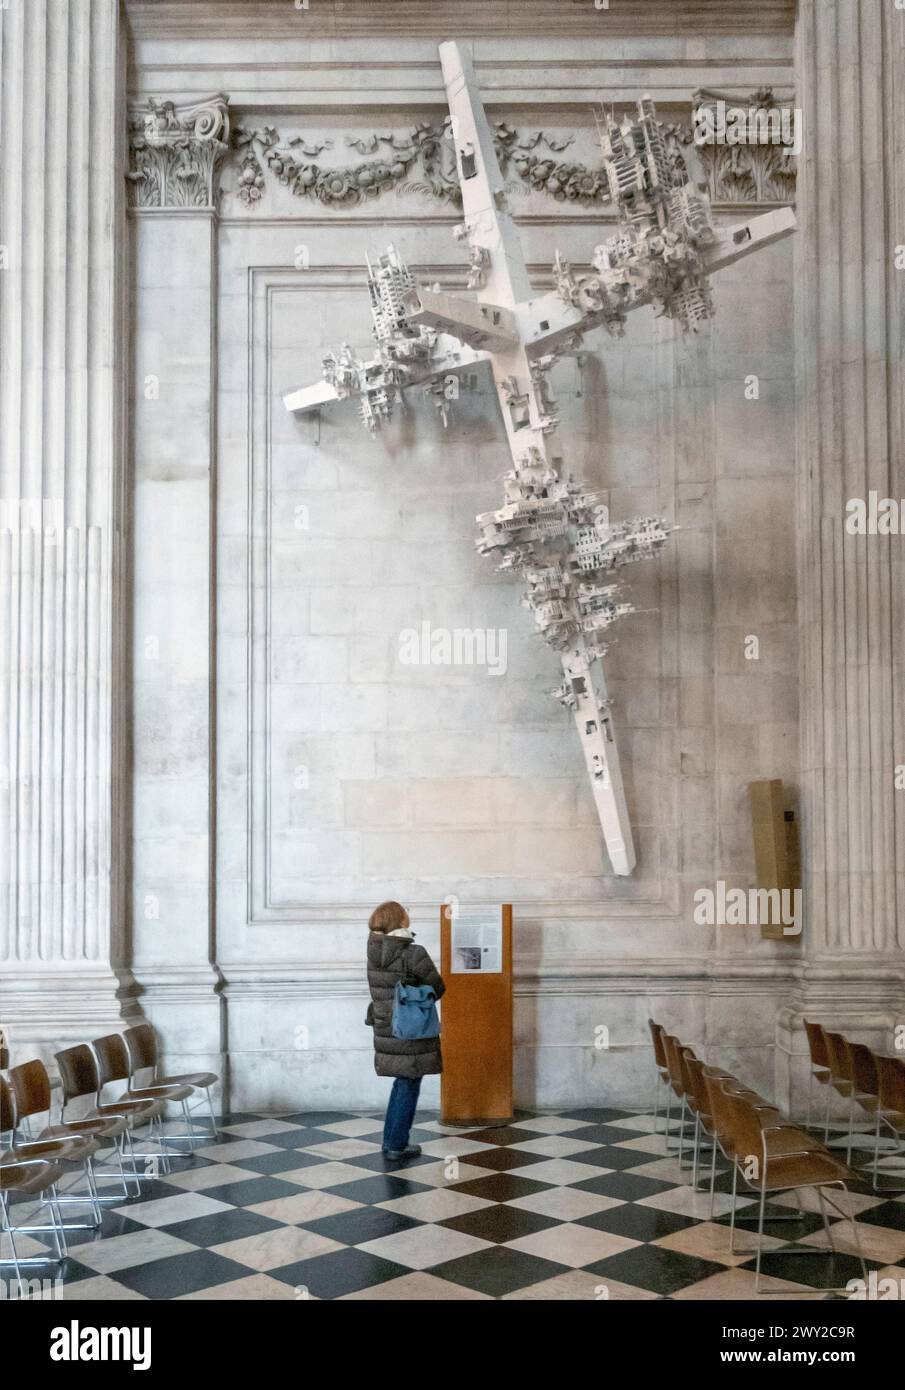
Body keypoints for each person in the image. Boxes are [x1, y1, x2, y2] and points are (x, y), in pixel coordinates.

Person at [365, 901, 445, 1160]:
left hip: (387, 1027)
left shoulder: (373, 952)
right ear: (400, 921)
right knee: (409, 1083)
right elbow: (438, 987)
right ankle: (396, 1145)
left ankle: (393, 1141)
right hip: (411, 1028)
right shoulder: (413, 952)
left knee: (403, 1082)